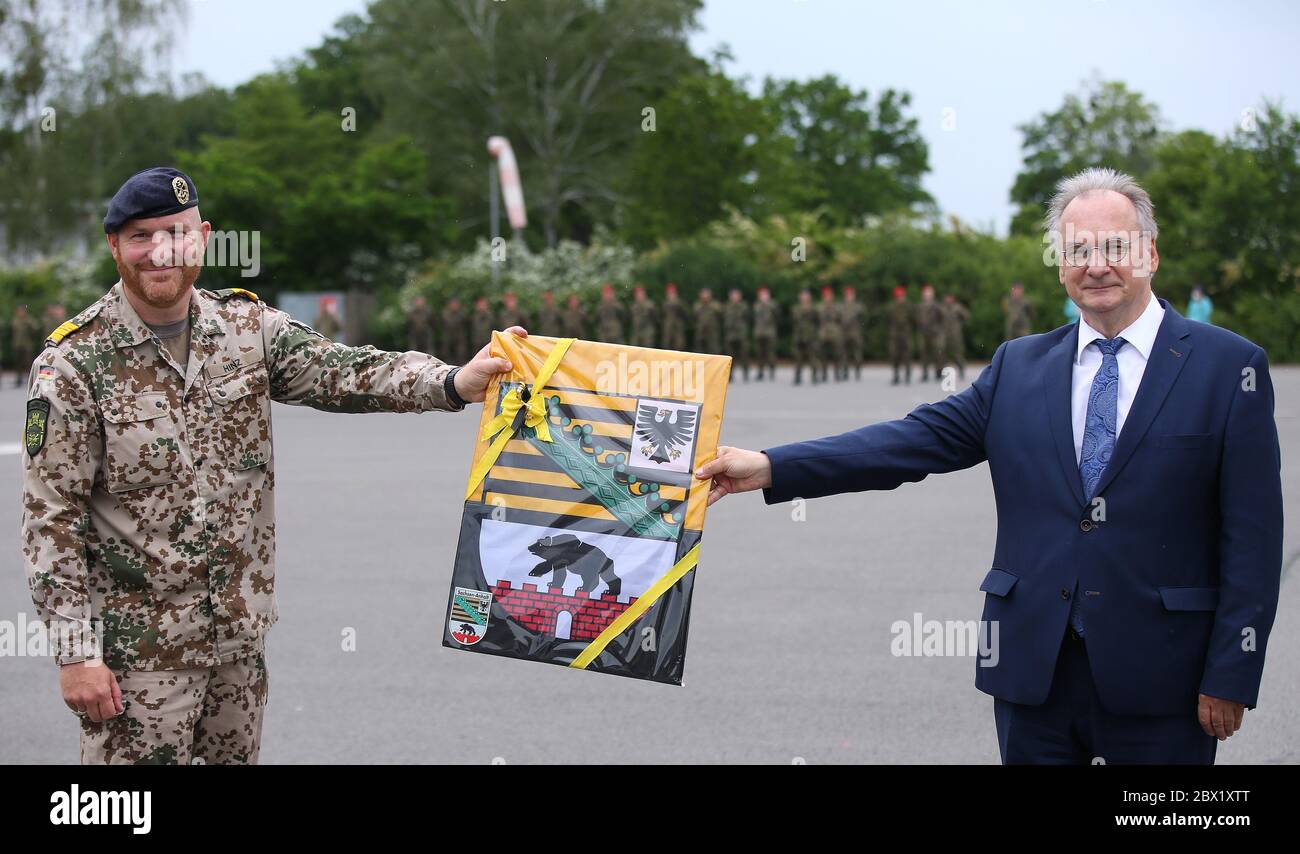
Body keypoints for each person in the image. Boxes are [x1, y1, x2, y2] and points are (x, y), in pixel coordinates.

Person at [696, 167, 1282, 764]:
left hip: (1167, 682)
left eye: (1115, 246)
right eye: (1078, 249)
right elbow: (908, 442)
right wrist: (770, 465)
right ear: (1059, 264)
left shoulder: (1228, 368)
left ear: (1150, 253)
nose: (1096, 264)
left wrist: (1232, 672)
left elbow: (1254, 540)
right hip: (1034, 680)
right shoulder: (1019, 367)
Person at [19, 167, 525, 764]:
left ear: (202, 238)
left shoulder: (245, 331)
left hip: (237, 648)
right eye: (140, 237)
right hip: (138, 665)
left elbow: (346, 370)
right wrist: (77, 654)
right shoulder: (76, 364)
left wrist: (450, 381)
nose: (161, 251)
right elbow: (51, 519)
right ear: (113, 246)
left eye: (176, 234)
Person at [751, 286, 779, 381]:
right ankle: (760, 372)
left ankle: (772, 371)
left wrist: (767, 304)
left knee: (770, 353)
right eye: (762, 294)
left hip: (770, 332)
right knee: (760, 353)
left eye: (765, 294)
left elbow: (777, 315)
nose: (763, 296)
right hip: (759, 332)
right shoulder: (757, 305)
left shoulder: (773, 304)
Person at [816, 286, 844, 382]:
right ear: (824, 297)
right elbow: (817, 320)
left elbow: (841, 320)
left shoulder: (837, 307)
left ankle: (837, 374)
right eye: (826, 296)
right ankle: (824, 374)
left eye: (829, 295)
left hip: (835, 333)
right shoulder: (819, 307)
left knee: (837, 354)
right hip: (823, 333)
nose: (828, 297)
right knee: (823, 355)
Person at [916, 284, 943, 382]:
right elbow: (917, 319)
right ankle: (924, 373)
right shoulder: (920, 306)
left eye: (929, 294)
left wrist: (937, 328)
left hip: (934, 333)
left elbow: (941, 317)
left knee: (937, 353)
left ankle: (938, 372)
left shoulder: (936, 306)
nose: (927, 296)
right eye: (926, 294)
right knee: (924, 354)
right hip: (924, 333)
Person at [790, 289, 817, 385]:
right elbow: (796, 318)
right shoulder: (796, 308)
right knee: (798, 358)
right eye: (803, 296)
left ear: (809, 297)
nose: (804, 298)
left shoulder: (813, 308)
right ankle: (797, 377)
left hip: (810, 335)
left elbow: (816, 320)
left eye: (806, 296)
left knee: (812, 357)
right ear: (800, 297)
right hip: (799, 336)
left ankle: (814, 377)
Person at [940, 293, 969, 381]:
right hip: (944, 335)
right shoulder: (941, 308)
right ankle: (942, 371)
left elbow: (966, 316)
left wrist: (960, 324)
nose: (948, 300)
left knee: (957, 353)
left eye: (950, 298)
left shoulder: (957, 307)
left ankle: (961, 369)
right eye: (947, 298)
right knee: (943, 354)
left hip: (955, 335)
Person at [888, 285, 913, 385]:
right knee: (894, 355)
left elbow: (912, 318)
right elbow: (889, 319)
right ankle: (896, 375)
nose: (900, 298)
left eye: (901, 296)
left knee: (906, 355)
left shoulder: (908, 306)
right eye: (898, 297)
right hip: (895, 334)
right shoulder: (892, 307)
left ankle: (907, 375)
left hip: (905, 334)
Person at [723, 288, 750, 381]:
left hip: (741, 334)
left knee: (744, 354)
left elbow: (748, 318)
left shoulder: (743, 306)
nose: (734, 297)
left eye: (736, 295)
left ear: (740, 297)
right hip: (730, 334)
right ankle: (729, 375)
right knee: (729, 356)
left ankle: (745, 373)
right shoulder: (726, 306)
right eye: (733, 295)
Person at [10, 304, 40, 388]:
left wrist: (28, 322)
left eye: (21, 311)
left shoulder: (29, 320)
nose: (20, 313)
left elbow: (36, 329)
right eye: (18, 311)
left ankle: (30, 380)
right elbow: (13, 333)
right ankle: (18, 379)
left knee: (28, 363)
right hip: (17, 344)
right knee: (18, 363)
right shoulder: (15, 320)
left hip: (27, 345)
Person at [840, 286, 865, 380]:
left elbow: (863, 320)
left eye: (851, 295)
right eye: (847, 295)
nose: (849, 297)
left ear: (854, 295)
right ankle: (845, 372)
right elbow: (838, 320)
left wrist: (858, 324)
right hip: (844, 332)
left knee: (857, 353)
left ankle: (857, 372)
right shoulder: (841, 307)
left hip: (855, 332)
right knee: (844, 353)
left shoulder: (858, 307)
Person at [660, 282, 688, 352]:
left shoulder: (680, 303)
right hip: (668, 330)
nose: (671, 295)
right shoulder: (665, 304)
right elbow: (661, 316)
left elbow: (685, 314)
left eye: (672, 293)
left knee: (679, 347)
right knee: (667, 347)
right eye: (669, 293)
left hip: (677, 330)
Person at [693, 287, 722, 355]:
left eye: (706, 294)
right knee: (700, 352)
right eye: (703, 294)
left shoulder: (716, 305)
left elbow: (720, 316)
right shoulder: (697, 306)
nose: (705, 296)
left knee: (713, 351)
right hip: (700, 333)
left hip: (712, 333)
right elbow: (694, 317)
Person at [629, 284, 658, 349]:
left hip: (647, 333)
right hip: (637, 333)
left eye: (640, 293)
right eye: (637, 294)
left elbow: (655, 317)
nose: (639, 296)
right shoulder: (633, 307)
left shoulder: (650, 305)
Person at [440, 297, 467, 364]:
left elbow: (466, 323)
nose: (454, 306)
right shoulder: (445, 314)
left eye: (456, 304)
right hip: (448, 338)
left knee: (460, 356)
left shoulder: (462, 314)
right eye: (453, 304)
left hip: (459, 339)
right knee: (447, 356)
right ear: (449, 305)